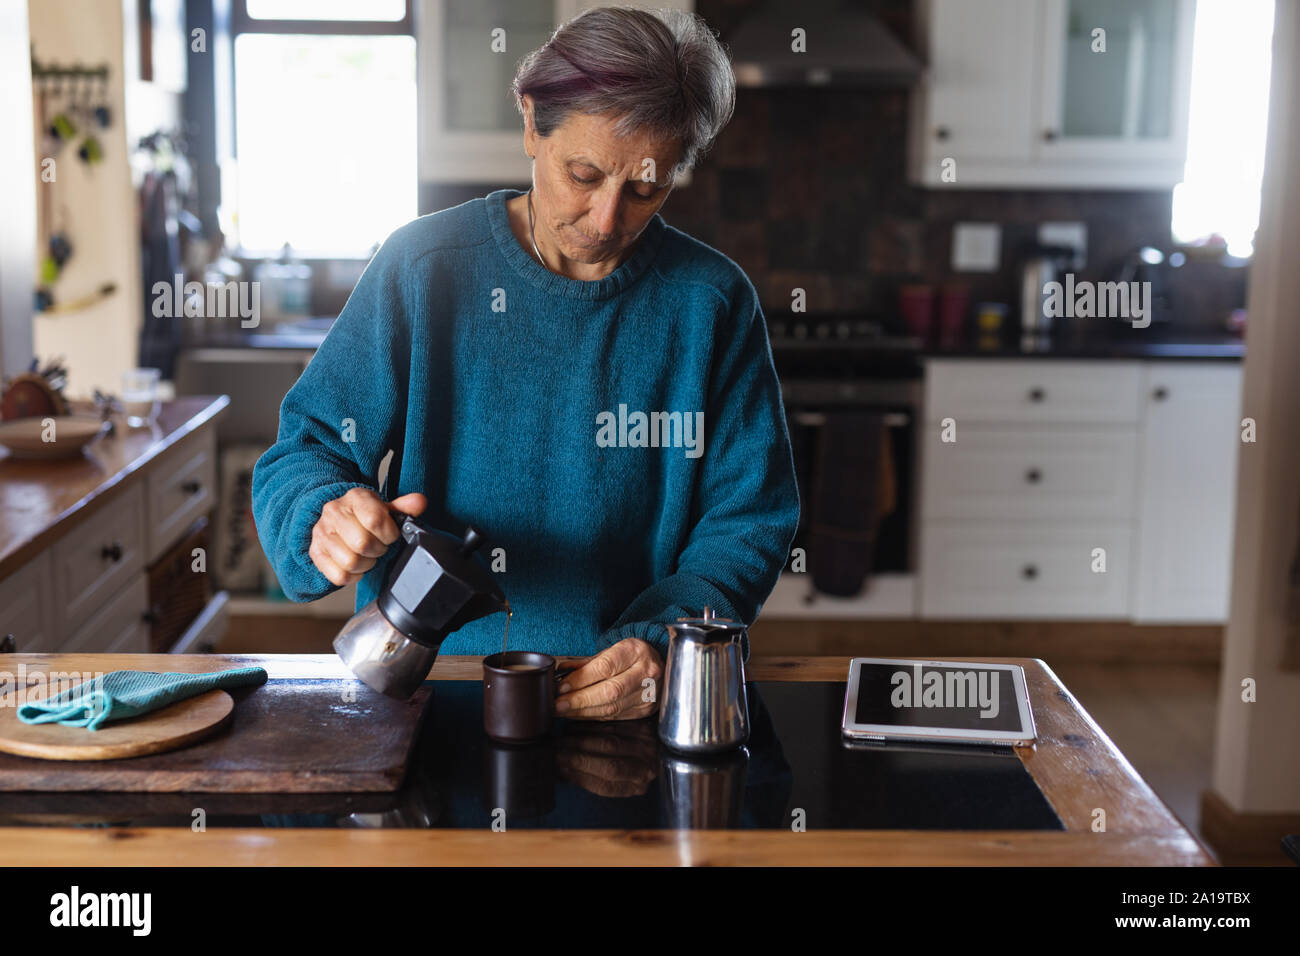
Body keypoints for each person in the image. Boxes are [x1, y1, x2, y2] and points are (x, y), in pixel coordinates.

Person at [251, 6, 799, 721]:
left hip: (626, 696)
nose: (607, 221)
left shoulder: (711, 302)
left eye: (646, 188)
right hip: (430, 690)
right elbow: (308, 450)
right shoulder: (424, 266)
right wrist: (322, 515)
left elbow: (748, 519)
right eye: (583, 173)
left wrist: (663, 640)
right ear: (531, 120)